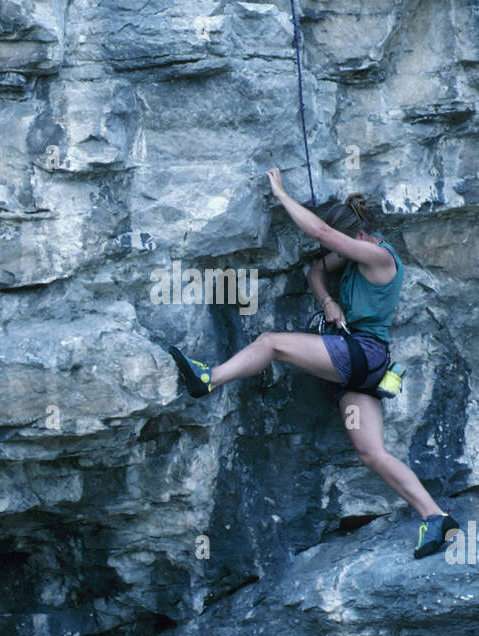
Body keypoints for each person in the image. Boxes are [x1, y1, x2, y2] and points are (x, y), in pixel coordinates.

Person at [168, 166, 458, 559]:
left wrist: (284, 196)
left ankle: (209, 378)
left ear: (355, 237)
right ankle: (436, 516)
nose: (336, 254)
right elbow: (315, 270)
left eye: (342, 246)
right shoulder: (354, 256)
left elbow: (322, 237)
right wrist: (328, 300)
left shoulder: (378, 257)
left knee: (270, 342)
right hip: (363, 369)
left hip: (363, 354)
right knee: (371, 453)